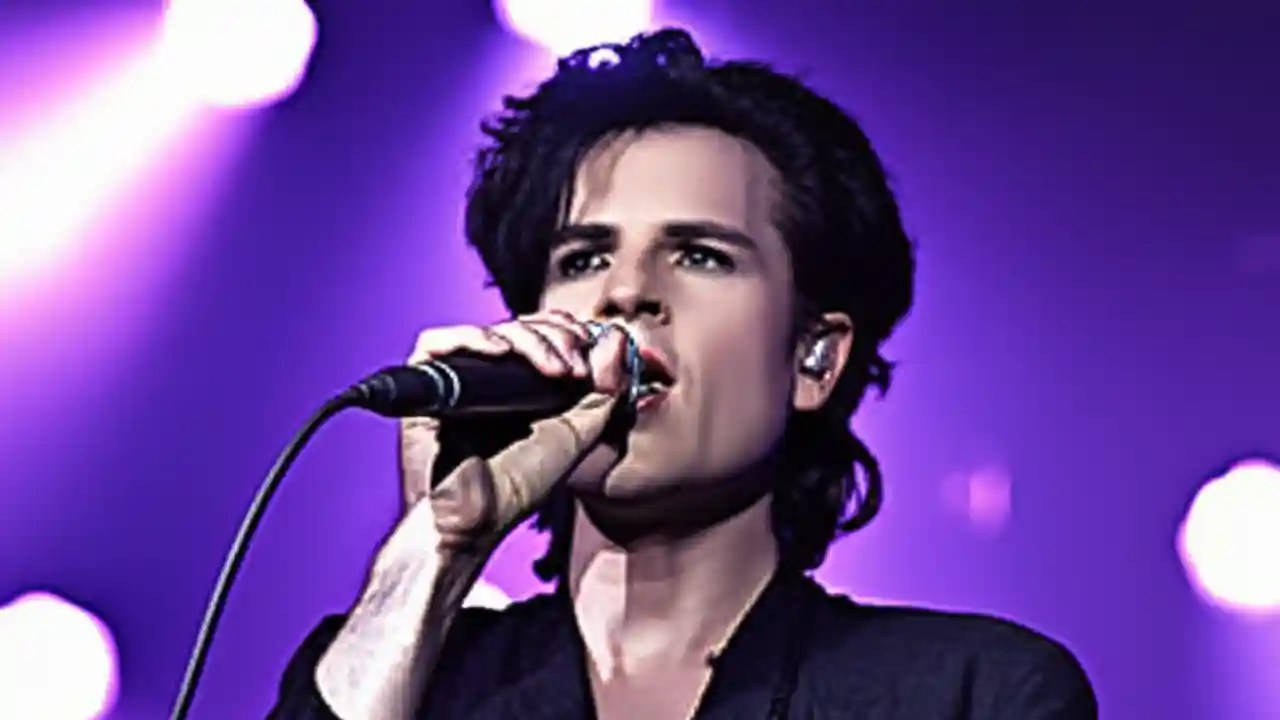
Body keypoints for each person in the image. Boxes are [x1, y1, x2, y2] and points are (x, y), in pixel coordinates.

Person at [267, 27, 1096, 719]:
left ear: (814, 357)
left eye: (699, 255)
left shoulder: (969, 693)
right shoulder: (393, 676)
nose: (626, 291)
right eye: (585, 256)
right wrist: (436, 550)